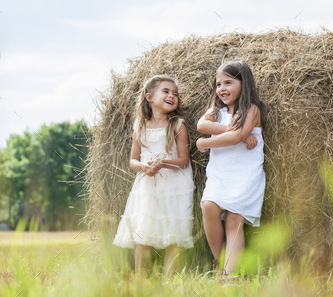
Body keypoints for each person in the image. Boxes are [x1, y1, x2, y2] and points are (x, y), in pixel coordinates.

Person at [113, 75, 195, 276]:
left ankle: (170, 281)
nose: (172, 96)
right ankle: (141, 280)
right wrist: (143, 166)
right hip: (147, 185)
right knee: (143, 231)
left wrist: (163, 163)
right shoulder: (140, 126)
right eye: (166, 91)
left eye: (175, 93)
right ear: (149, 97)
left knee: (174, 233)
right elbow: (133, 160)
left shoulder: (177, 125)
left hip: (176, 185)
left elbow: (184, 160)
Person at [196, 61, 267, 275]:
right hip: (220, 173)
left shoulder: (252, 110)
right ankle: (220, 261)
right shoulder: (215, 112)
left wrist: (204, 143)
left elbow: (235, 137)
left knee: (234, 221)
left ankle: (229, 276)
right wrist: (237, 131)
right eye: (218, 84)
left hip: (245, 174)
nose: (222, 88)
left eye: (228, 82)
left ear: (244, 84)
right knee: (208, 206)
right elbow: (201, 126)